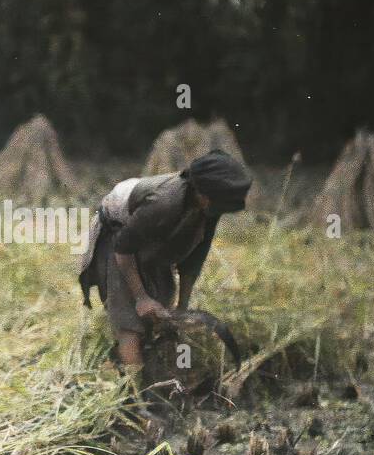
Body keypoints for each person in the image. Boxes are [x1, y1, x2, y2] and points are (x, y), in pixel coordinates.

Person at [78, 149, 252, 370]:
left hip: (154, 239)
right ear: (202, 194)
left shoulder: (208, 208)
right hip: (119, 234)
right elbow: (123, 248)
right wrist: (141, 297)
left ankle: (162, 373)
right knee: (130, 321)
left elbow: (195, 258)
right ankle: (132, 389)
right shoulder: (164, 202)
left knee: (162, 313)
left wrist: (182, 307)